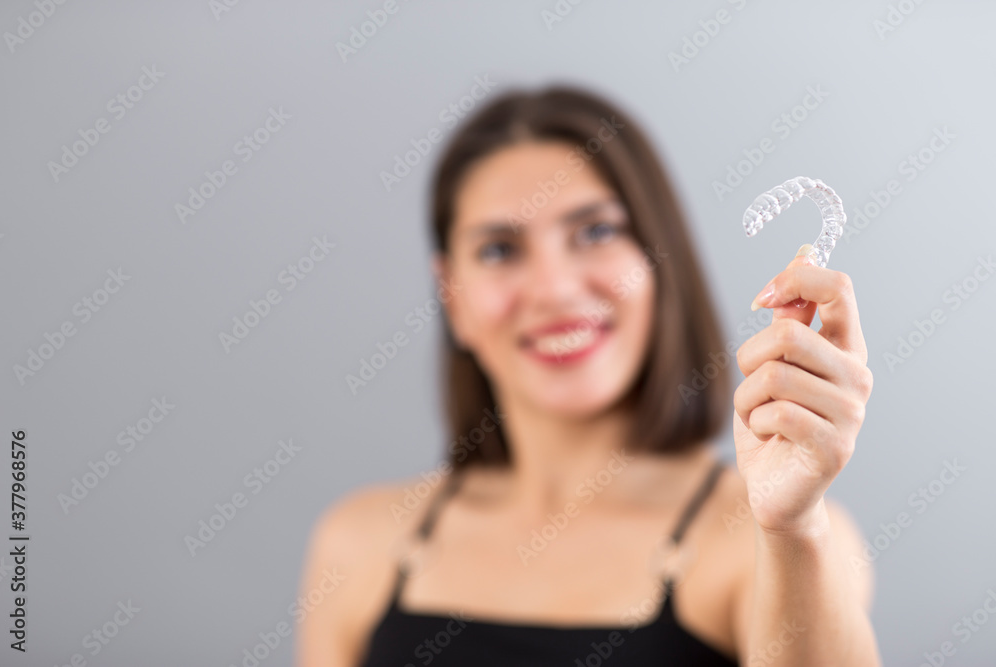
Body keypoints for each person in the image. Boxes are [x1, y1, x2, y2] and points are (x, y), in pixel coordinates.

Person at [296, 84, 881, 665]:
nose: (554, 289)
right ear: (453, 296)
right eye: (499, 250)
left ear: (658, 263)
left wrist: (790, 528)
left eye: (596, 232)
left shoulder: (769, 540)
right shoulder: (358, 544)